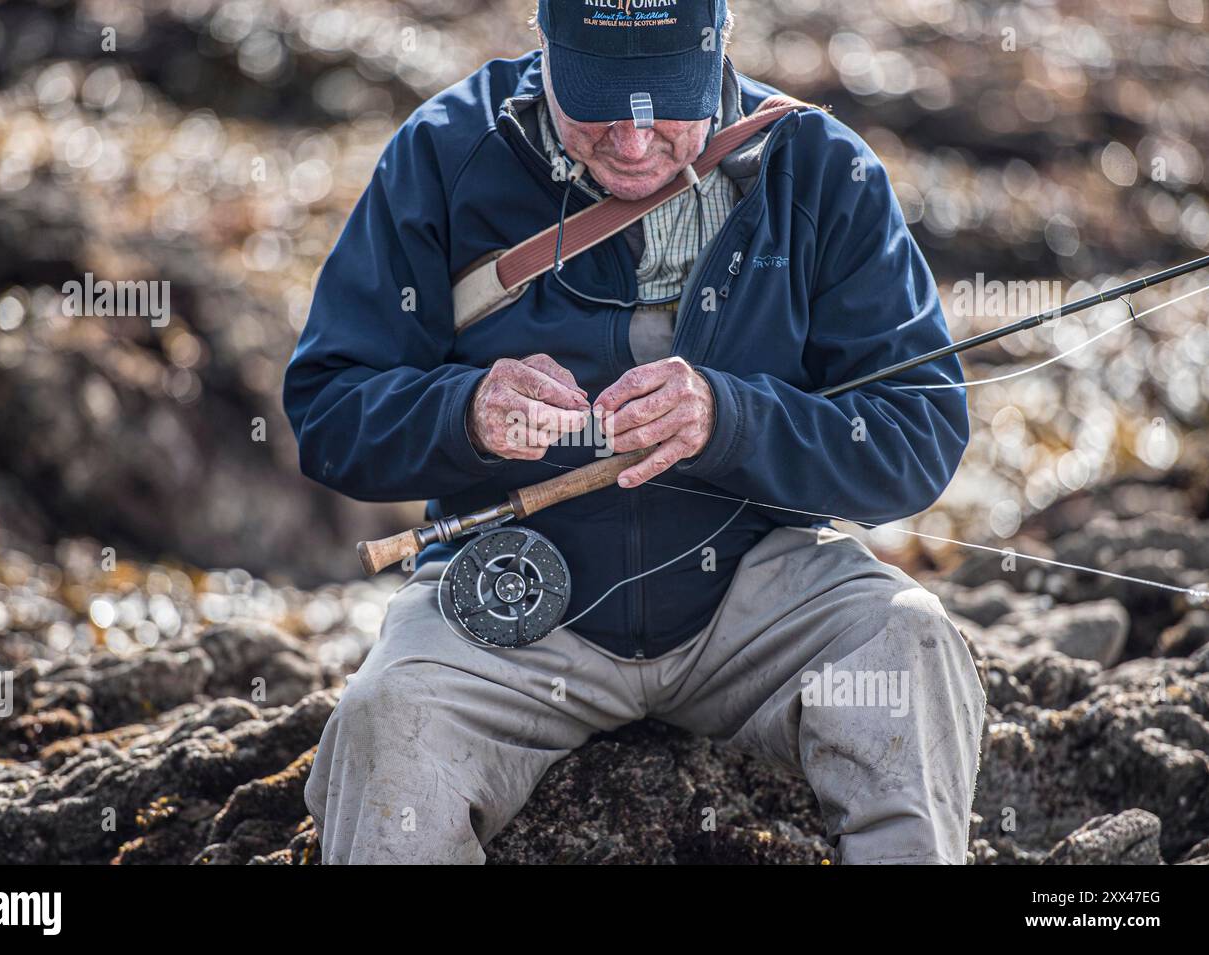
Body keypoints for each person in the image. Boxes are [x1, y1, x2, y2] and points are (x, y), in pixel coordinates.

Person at [284, 0, 986, 864]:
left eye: (665, 104)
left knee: (910, 644)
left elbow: (918, 437)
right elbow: (326, 409)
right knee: (385, 721)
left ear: (718, 48)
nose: (632, 141)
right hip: (514, 606)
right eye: (600, 101)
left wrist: (734, 420)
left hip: (756, 594)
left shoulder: (821, 168)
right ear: (547, 48)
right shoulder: (443, 153)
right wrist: (462, 414)